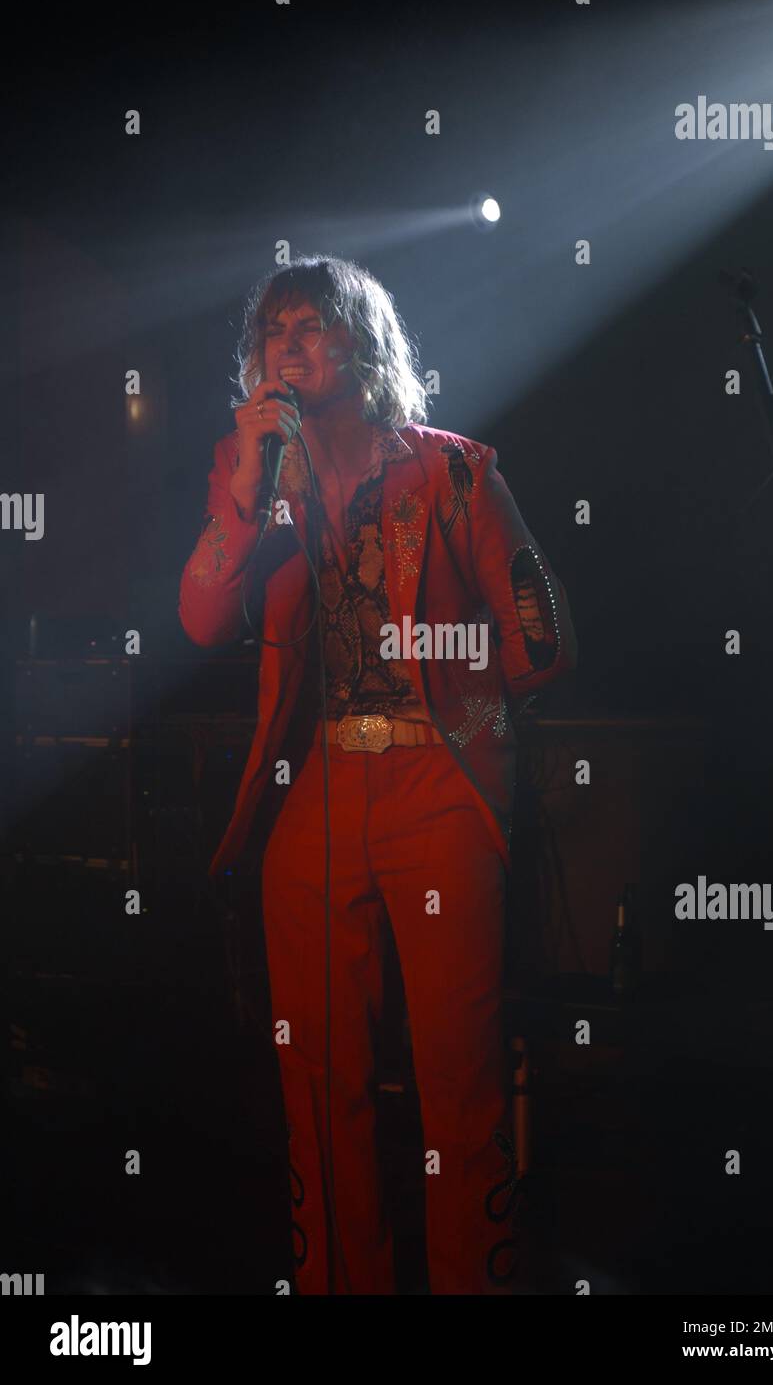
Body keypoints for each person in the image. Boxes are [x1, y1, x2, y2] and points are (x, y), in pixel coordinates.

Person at [178, 254, 577, 1294]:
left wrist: (458, 702)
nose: (292, 345)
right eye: (276, 332)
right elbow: (201, 619)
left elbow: (543, 641)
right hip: (310, 796)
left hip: (433, 783)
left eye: (316, 326)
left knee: (459, 1075)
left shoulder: (455, 471)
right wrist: (242, 495)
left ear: (368, 341)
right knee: (318, 1082)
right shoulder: (254, 476)